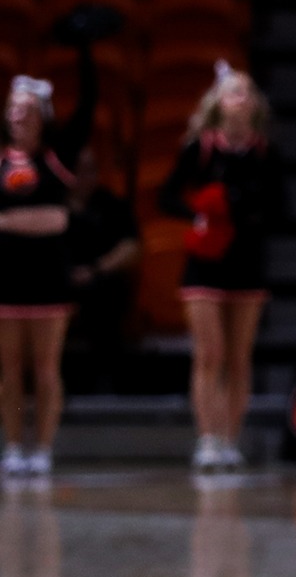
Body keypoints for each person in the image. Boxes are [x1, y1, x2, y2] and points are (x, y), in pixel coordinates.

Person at [158, 64, 284, 472]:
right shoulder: (200, 148)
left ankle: (230, 440)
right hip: (205, 263)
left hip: (247, 261)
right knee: (209, 353)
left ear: (255, 104)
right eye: (232, 92)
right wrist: (198, 213)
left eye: (246, 92)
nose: (239, 98)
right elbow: (166, 196)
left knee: (238, 357)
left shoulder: (265, 153)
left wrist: (244, 212)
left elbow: (281, 208)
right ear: (217, 101)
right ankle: (208, 439)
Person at [1, 39, 97, 477]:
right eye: (12, 106)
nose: (18, 113)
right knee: (9, 367)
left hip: (48, 271)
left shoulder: (58, 157)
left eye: (26, 107)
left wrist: (86, 51)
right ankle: (12, 446)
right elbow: (48, 217)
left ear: (42, 114)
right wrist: (38, 219)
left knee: (45, 366)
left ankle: (42, 447)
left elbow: (89, 105)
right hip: (7, 271)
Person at [64, 146, 139, 395]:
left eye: (90, 170)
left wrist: (96, 269)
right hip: (57, 283)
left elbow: (132, 245)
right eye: (78, 170)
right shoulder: (52, 204)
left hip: (100, 281)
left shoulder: (111, 204)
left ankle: (107, 384)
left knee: (108, 295)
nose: (84, 176)